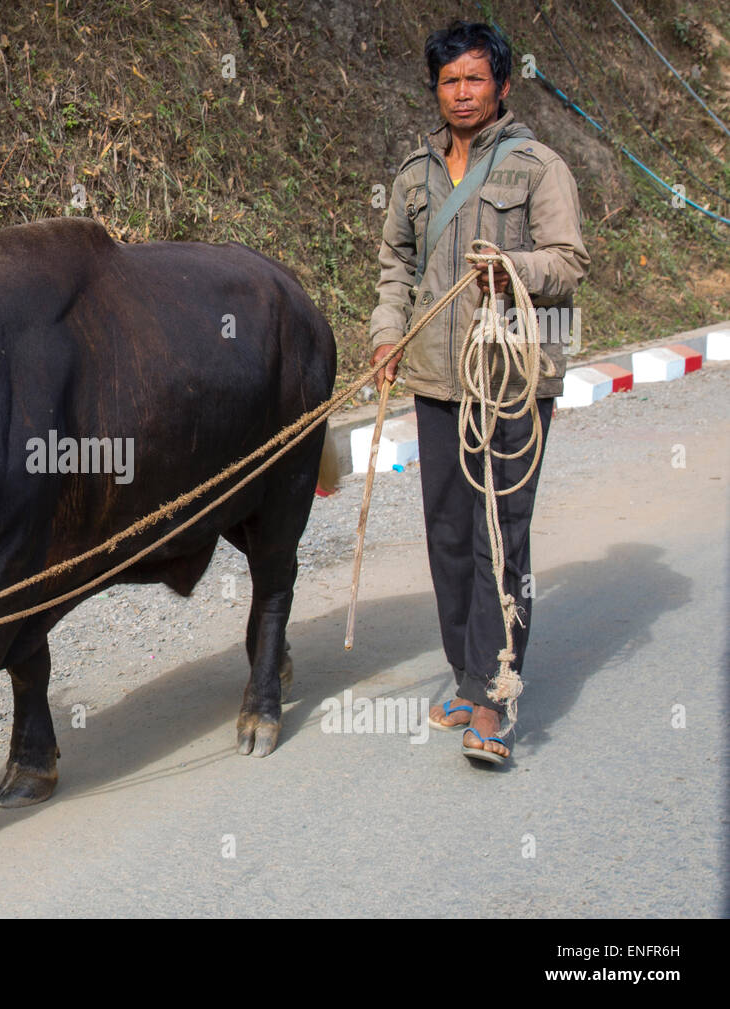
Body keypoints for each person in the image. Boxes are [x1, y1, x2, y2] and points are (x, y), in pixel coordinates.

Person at [368, 20, 589, 764]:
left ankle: (495, 695)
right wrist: (385, 332)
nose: (462, 93)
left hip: (512, 380)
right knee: (449, 533)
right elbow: (395, 263)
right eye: (449, 81)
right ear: (436, 88)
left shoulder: (538, 166)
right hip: (434, 376)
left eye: (474, 79)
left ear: (500, 83)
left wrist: (514, 269)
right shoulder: (414, 172)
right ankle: (465, 672)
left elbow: (568, 263)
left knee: (502, 535)